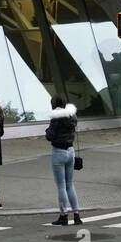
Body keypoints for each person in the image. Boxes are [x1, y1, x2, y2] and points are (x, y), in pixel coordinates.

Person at [45, 95, 81, 226]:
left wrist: (47, 132)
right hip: (70, 151)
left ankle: (63, 215)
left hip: (58, 152)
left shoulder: (56, 118)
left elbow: (50, 135)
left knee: (61, 186)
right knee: (70, 184)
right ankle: (76, 215)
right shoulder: (72, 116)